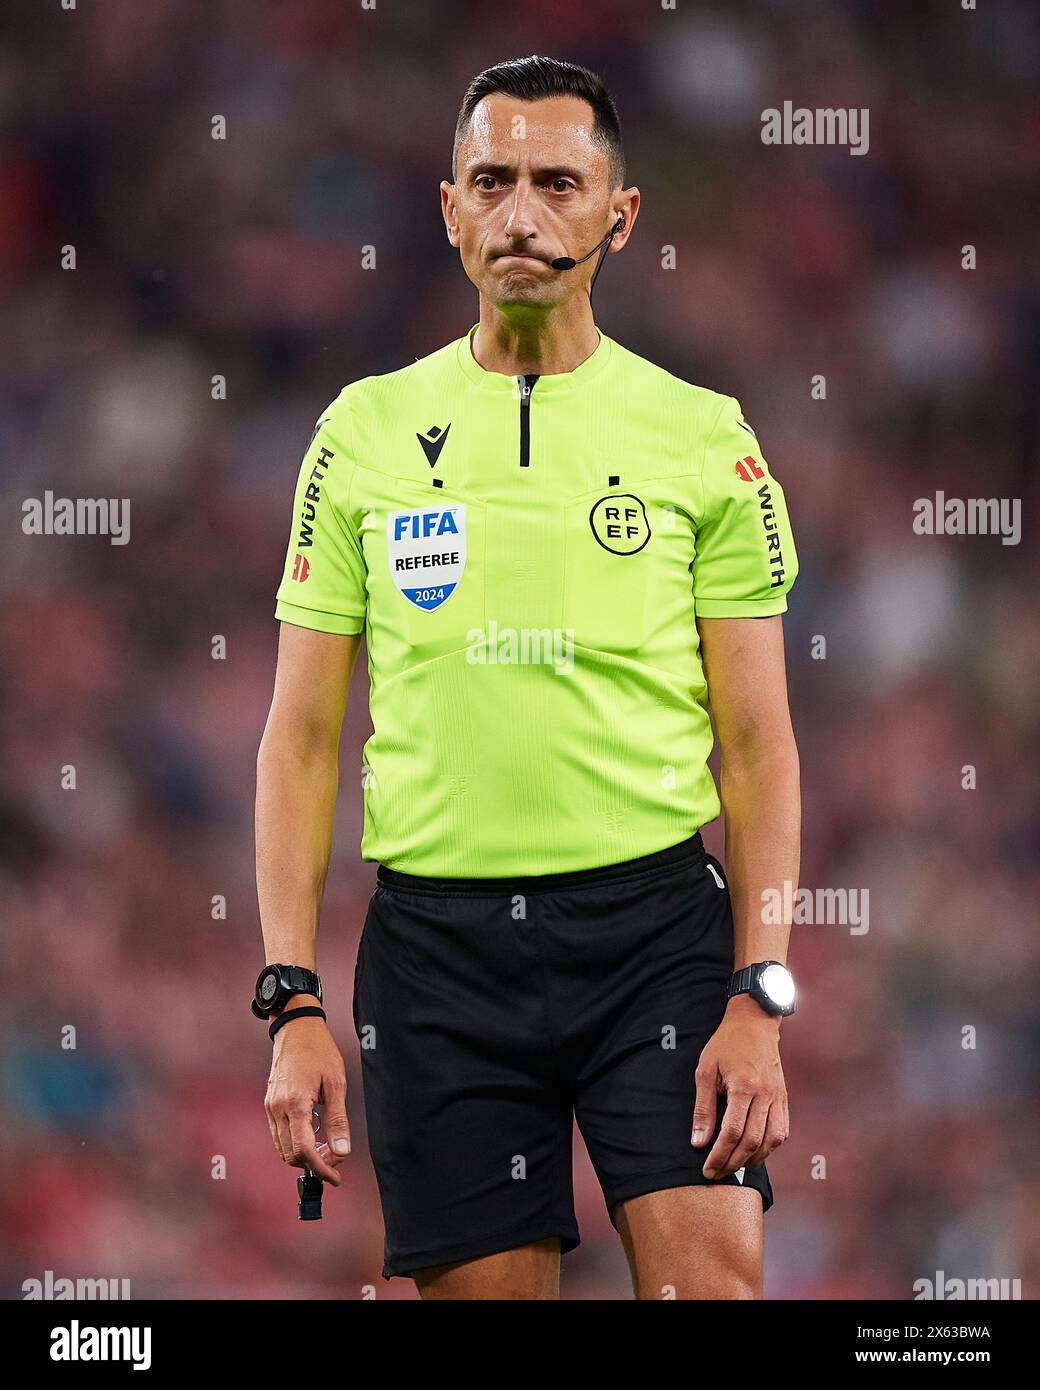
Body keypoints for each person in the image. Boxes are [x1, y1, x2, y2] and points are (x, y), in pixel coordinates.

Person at [255, 54, 800, 1301]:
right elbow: (298, 740)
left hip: (653, 936)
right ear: (447, 210)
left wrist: (756, 994)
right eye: (491, 181)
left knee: (710, 1288)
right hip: (436, 956)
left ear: (620, 213)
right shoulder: (360, 433)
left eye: (557, 183)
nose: (520, 214)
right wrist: (290, 1000)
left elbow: (760, 747)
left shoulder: (702, 436)